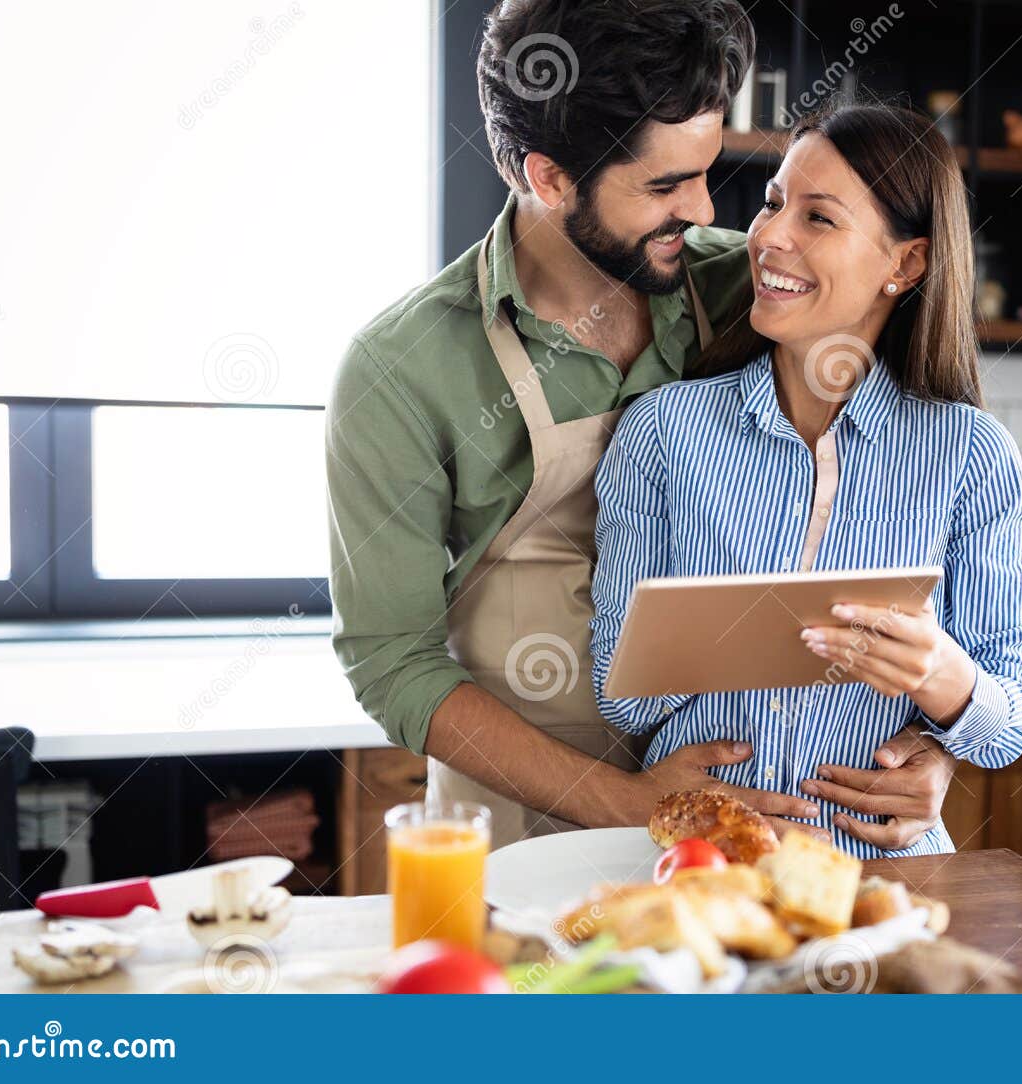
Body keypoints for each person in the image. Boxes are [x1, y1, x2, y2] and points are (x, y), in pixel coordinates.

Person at [325, 0, 819, 847]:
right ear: (547, 177)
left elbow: (908, 477)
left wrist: (934, 747)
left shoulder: (749, 290)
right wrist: (624, 803)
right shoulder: (401, 367)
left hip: (737, 794)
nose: (704, 211)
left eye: (707, 170)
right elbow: (391, 663)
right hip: (516, 822)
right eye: (664, 186)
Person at [590, 100, 1022, 857]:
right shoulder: (663, 433)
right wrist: (718, 638)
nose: (769, 235)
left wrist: (940, 675)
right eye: (772, 204)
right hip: (707, 861)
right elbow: (620, 694)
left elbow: (1011, 723)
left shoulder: (971, 456)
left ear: (905, 265)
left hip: (882, 876)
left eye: (818, 218)